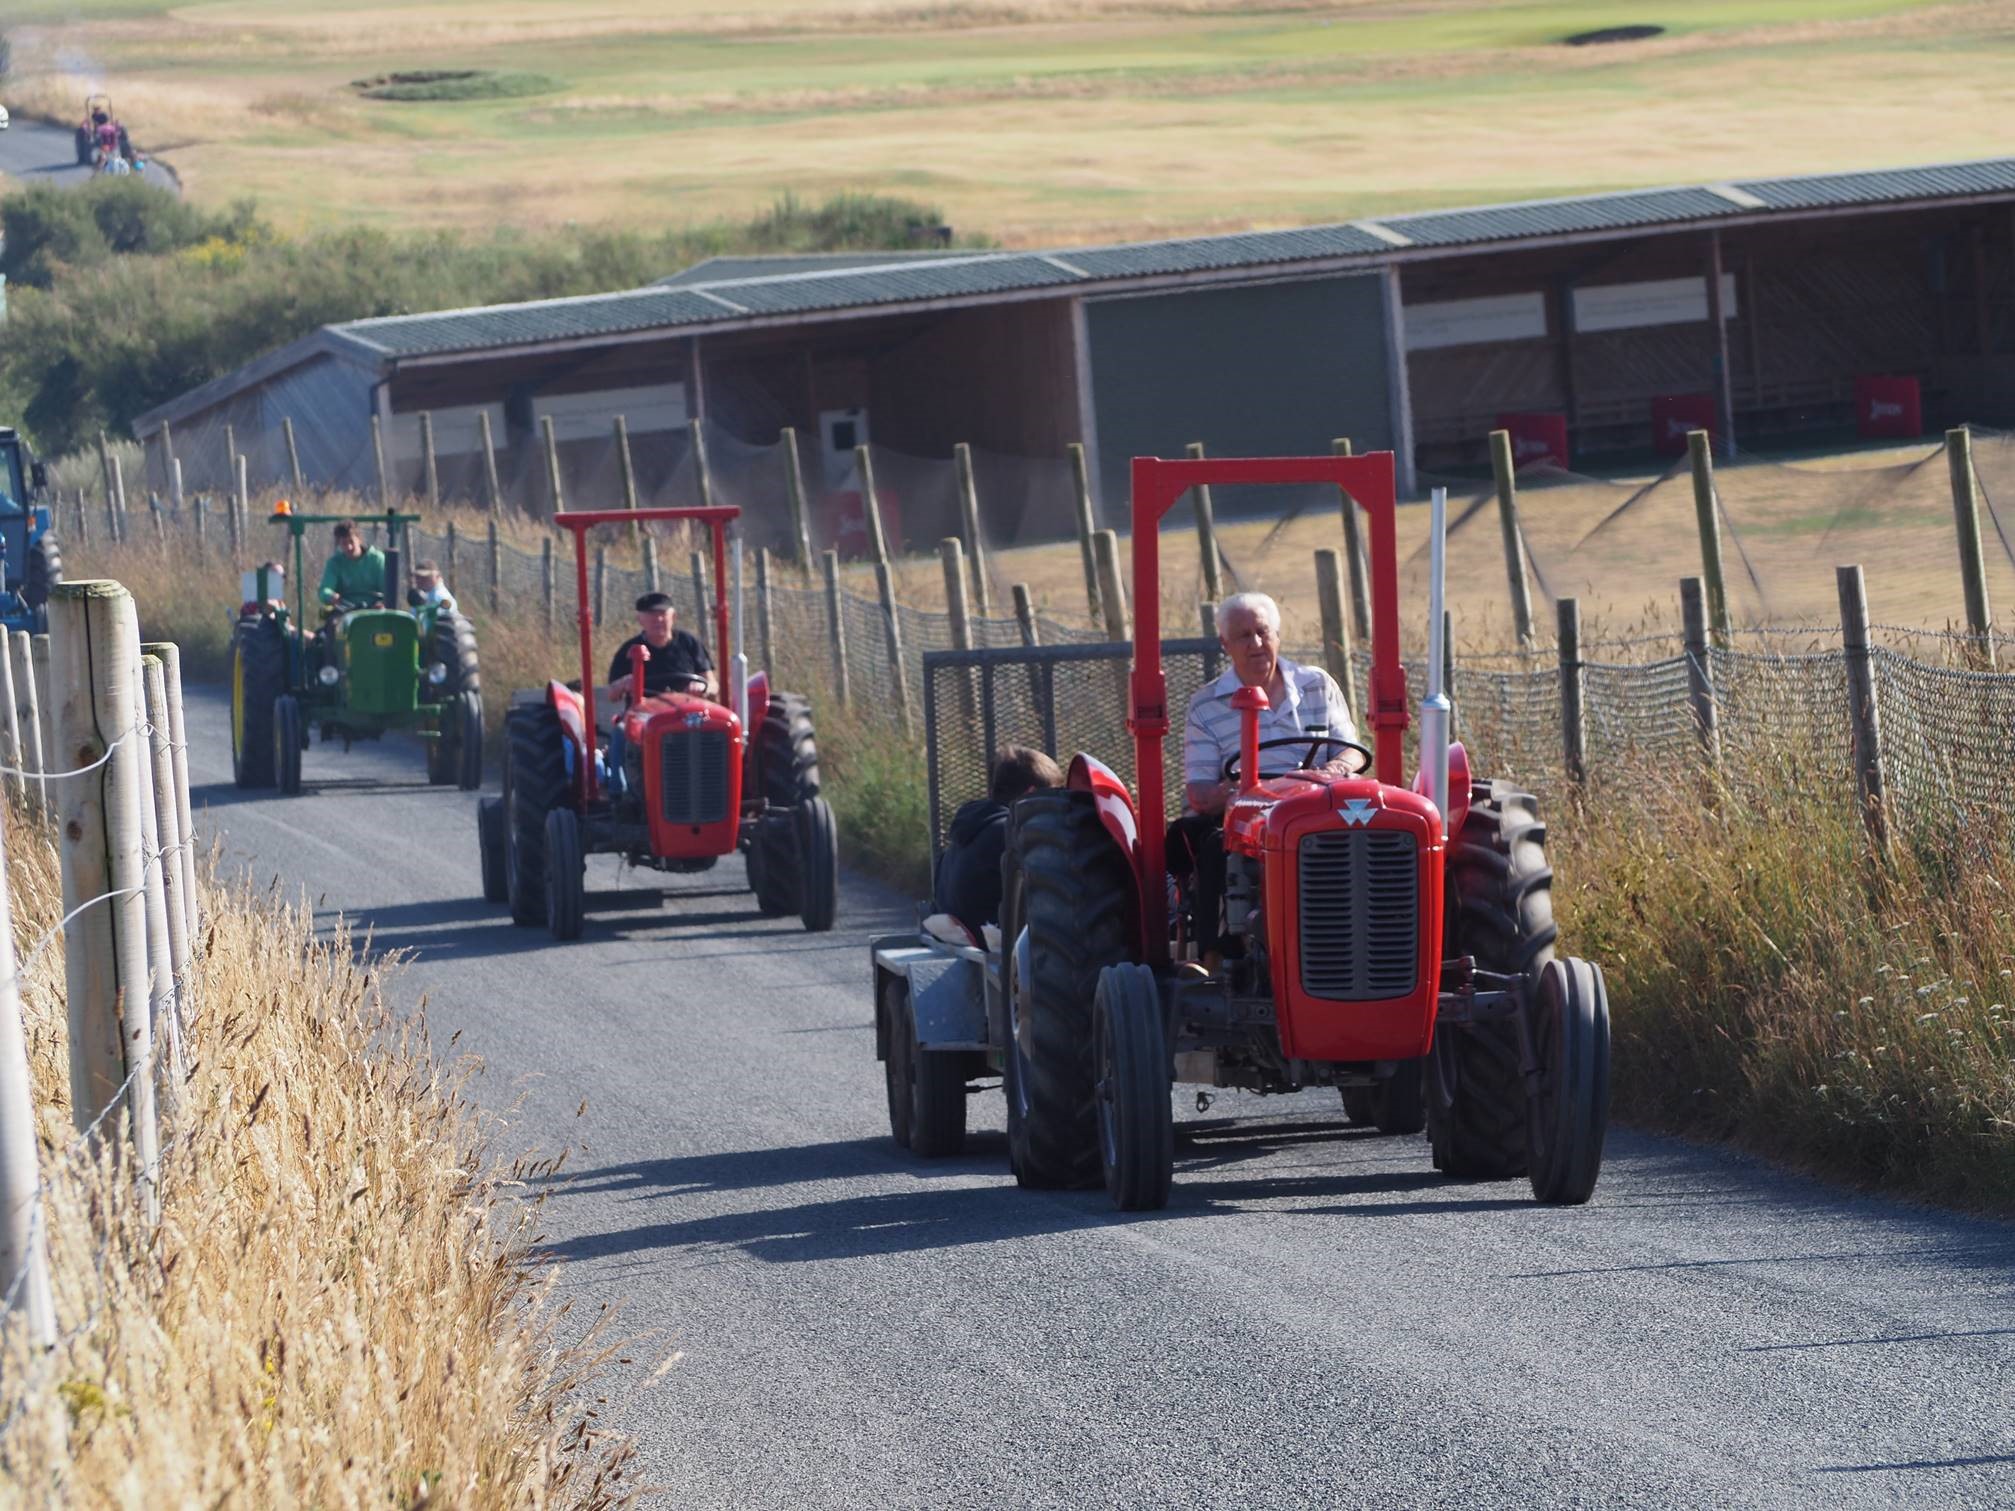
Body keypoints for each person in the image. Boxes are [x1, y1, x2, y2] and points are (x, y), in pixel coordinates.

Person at [1176, 591, 1358, 959]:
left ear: (1277, 634)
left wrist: (1332, 769)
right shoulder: (1207, 705)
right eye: (1243, 636)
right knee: (1214, 848)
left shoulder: (1317, 685)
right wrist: (1243, 788)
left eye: (1263, 632)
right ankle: (1214, 959)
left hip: (1319, 804)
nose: (1256, 644)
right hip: (1249, 817)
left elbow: (1351, 751)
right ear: (1225, 644)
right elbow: (1200, 793)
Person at [932, 746, 1063, 939]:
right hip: (993, 940)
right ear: (1032, 794)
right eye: (1054, 795)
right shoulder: (1009, 833)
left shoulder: (973, 826)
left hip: (956, 935)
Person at [607, 591, 715, 699]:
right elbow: (612, 695)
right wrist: (623, 684)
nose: (658, 619)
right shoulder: (630, 649)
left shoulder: (689, 642)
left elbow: (713, 684)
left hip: (686, 710)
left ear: (673, 617)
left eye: (662, 614)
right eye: (651, 615)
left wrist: (702, 686)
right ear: (639, 619)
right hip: (646, 711)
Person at [317, 520, 387, 610]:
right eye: (344, 543)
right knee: (333, 623)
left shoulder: (377, 559)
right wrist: (331, 596)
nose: (349, 547)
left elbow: (388, 591)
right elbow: (325, 590)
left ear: (359, 540)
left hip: (374, 611)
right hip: (345, 610)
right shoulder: (335, 563)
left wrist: (382, 603)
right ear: (339, 544)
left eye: (351, 541)